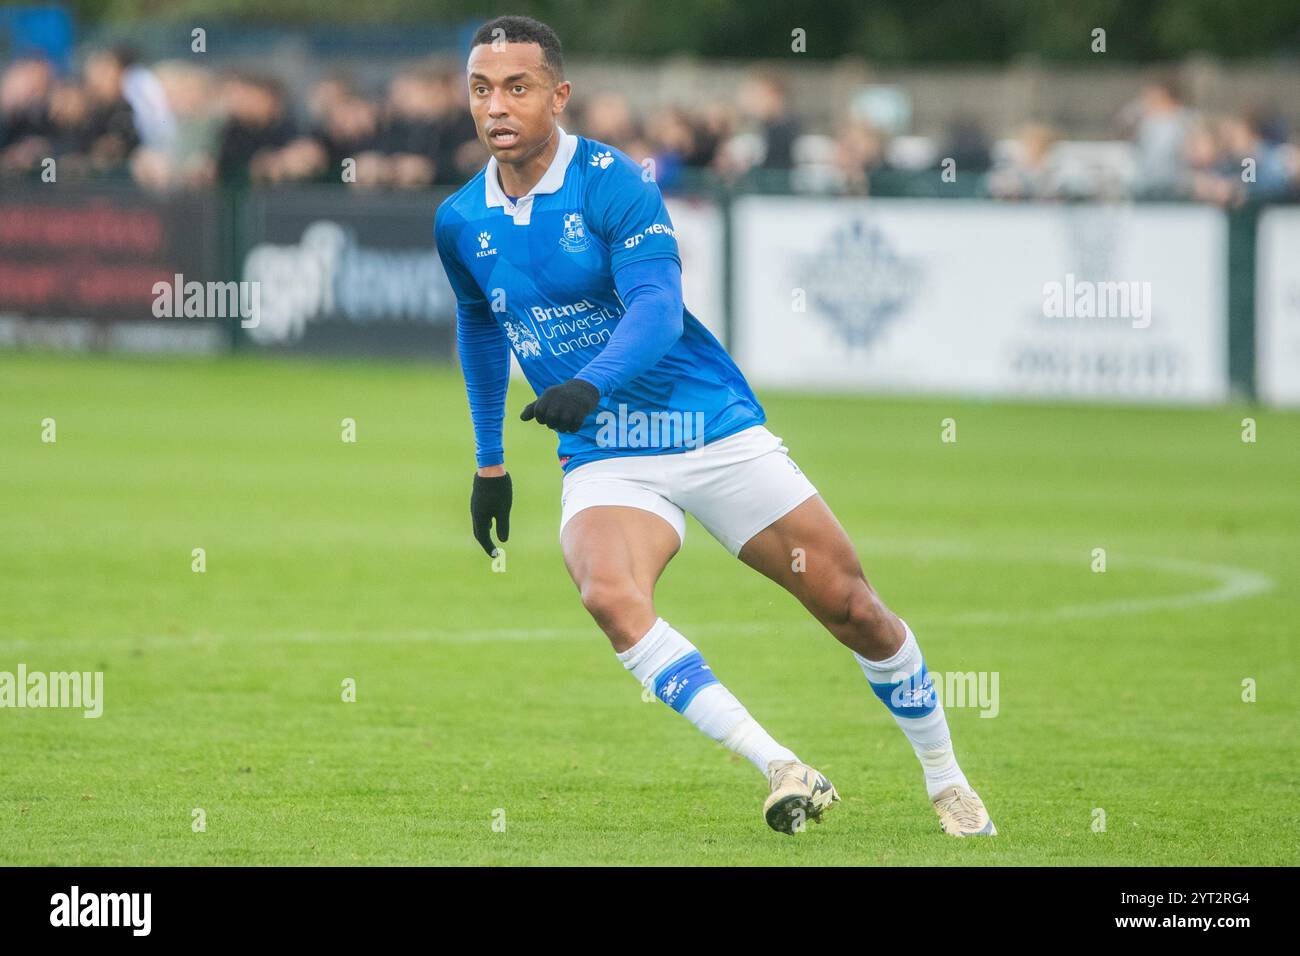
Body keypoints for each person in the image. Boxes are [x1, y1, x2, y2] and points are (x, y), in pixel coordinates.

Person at [434, 15, 995, 836]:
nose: (497, 106)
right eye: (482, 88)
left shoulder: (614, 182)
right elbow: (480, 327)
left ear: (559, 95)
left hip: (707, 428)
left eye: (517, 87)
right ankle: (781, 765)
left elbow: (659, 308)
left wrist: (592, 381)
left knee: (852, 609)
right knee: (609, 595)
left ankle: (946, 779)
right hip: (605, 454)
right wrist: (490, 464)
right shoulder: (460, 219)